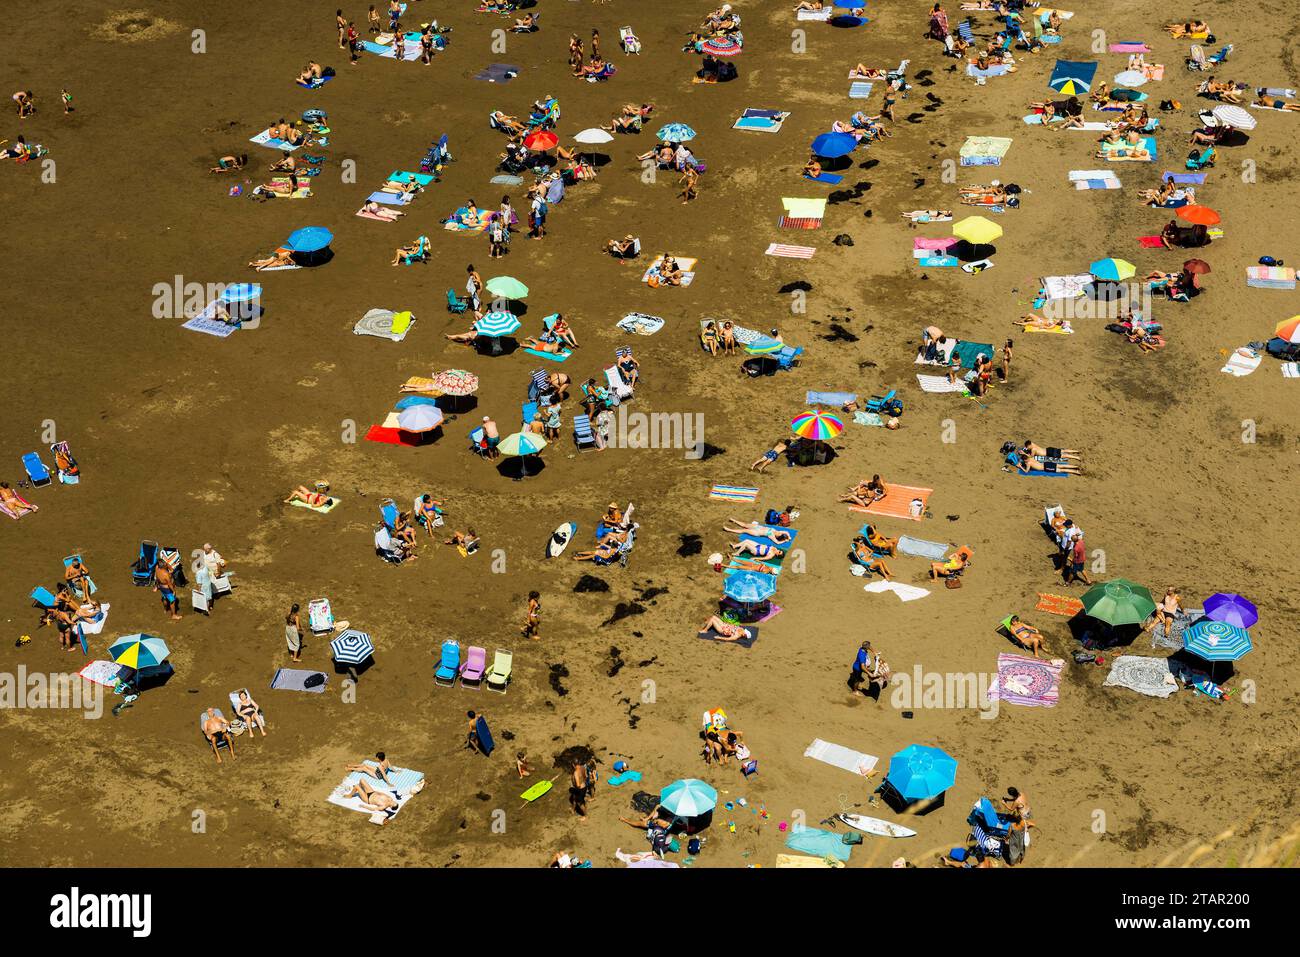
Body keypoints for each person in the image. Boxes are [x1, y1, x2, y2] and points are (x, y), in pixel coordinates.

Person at [723, 520, 793, 544]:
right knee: (745, 524)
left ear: (778, 536)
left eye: (779, 534)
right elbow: (786, 531)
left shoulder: (772, 536)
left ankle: (729, 529)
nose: (780, 533)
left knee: (743, 530)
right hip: (758, 527)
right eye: (780, 533)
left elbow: (777, 542)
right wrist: (788, 537)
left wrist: (784, 541)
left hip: (756, 532)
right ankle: (734, 520)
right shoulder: (778, 531)